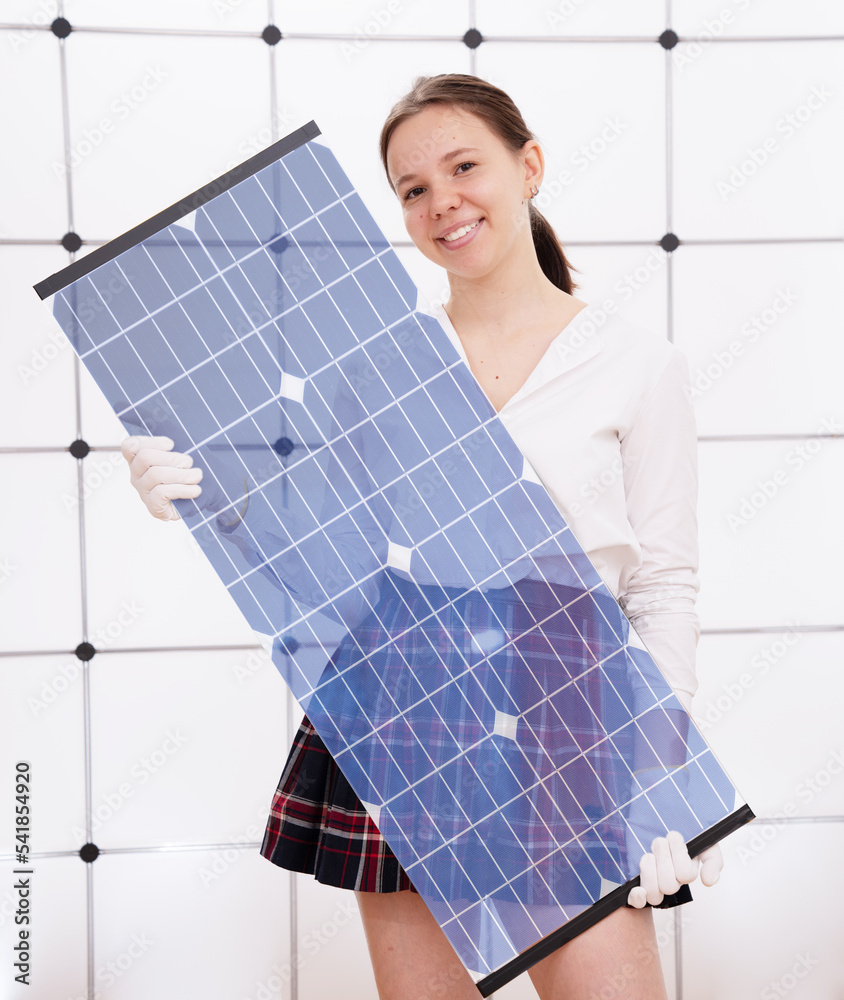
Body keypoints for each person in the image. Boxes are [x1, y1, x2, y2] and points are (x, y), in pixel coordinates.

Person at [122, 74, 723, 999]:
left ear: (529, 167)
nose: (442, 201)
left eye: (464, 167)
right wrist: (196, 497)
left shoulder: (639, 364)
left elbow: (663, 585)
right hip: (406, 689)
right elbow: (322, 548)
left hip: (568, 692)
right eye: (413, 188)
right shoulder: (380, 362)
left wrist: (665, 764)